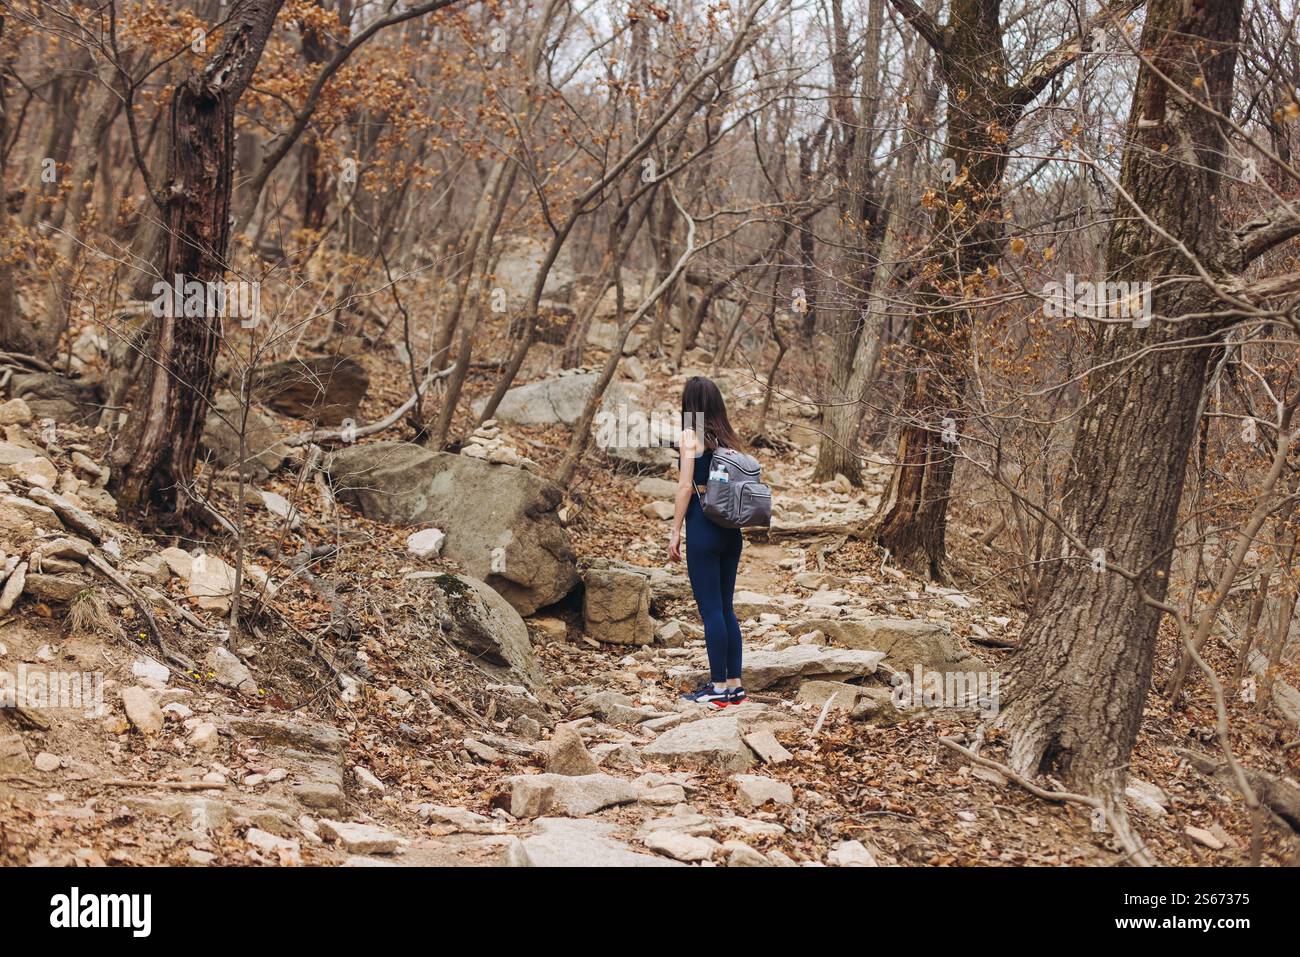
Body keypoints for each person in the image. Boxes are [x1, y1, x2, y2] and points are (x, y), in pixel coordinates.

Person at [669, 376, 747, 708]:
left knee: (711, 610)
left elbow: (686, 487)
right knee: (726, 608)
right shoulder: (729, 438)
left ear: (690, 404)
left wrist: (675, 530)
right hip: (731, 530)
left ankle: (717, 689)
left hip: (703, 527)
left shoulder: (691, 436)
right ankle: (734, 685)